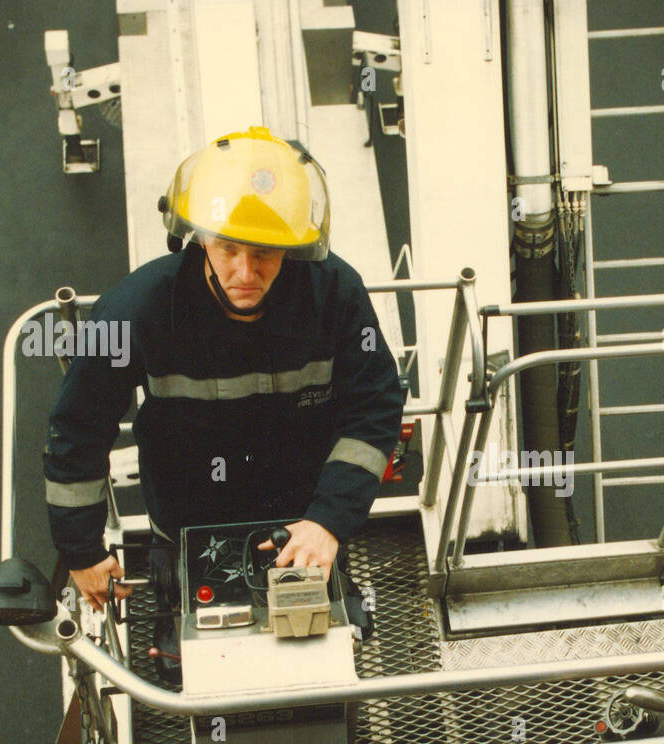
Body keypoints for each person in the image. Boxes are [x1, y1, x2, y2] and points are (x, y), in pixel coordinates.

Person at [44, 126, 403, 614]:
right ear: (199, 240)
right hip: (184, 524)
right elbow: (78, 429)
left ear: (293, 248)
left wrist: (328, 521)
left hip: (302, 522)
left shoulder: (335, 294)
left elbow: (373, 407)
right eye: (228, 249)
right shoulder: (134, 311)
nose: (245, 274)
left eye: (264, 254)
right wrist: (82, 551)